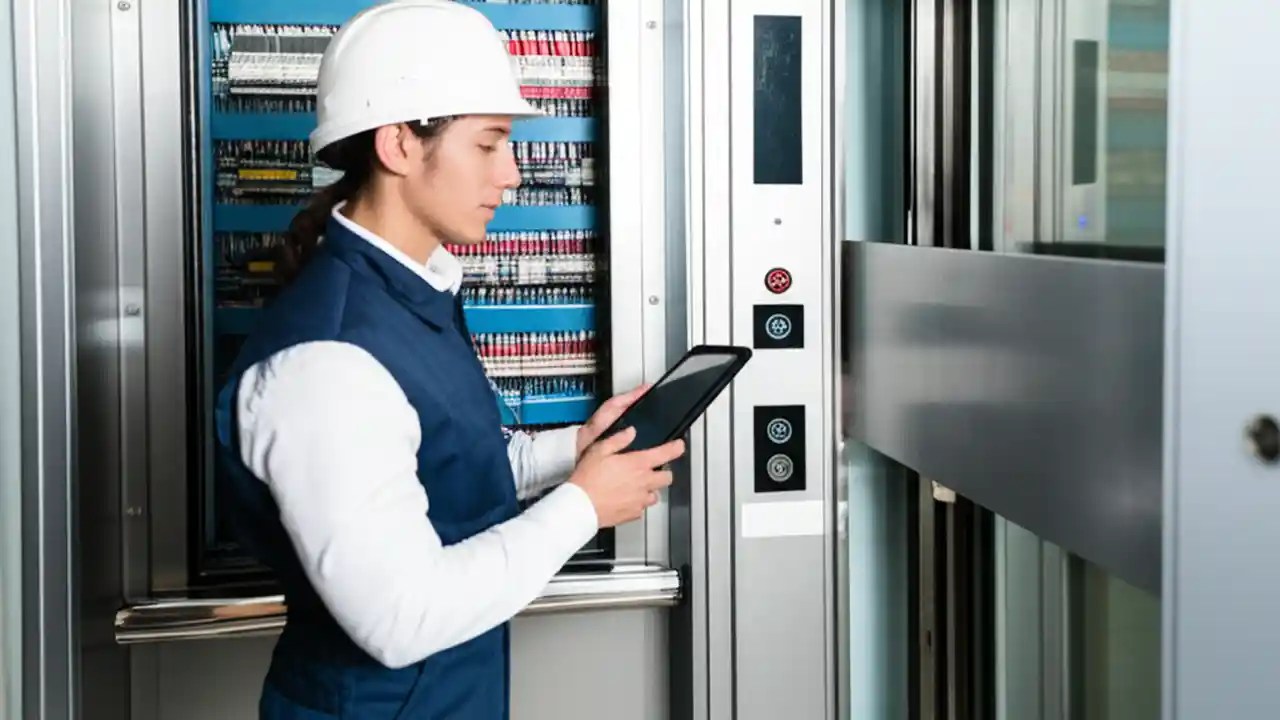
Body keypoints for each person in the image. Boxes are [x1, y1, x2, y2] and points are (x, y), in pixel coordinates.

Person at [212, 2, 685, 718]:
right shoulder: (326, 366)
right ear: (400, 145)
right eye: (489, 143)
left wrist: (575, 451)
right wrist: (585, 505)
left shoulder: (411, 297)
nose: (514, 175)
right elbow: (401, 619)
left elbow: (446, 471)